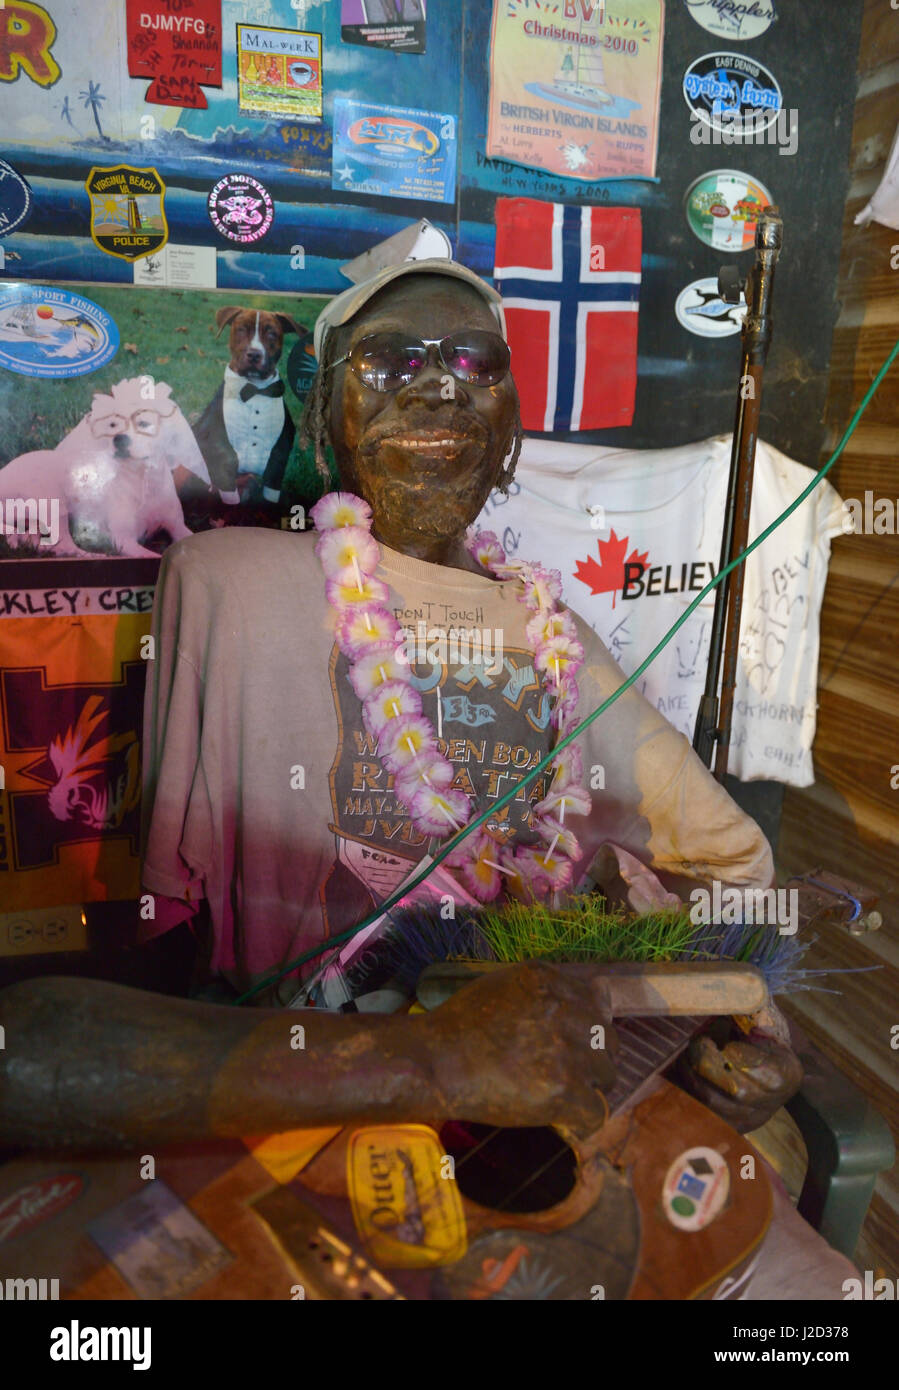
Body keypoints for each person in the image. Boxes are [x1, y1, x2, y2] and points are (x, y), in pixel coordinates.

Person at [0, 260, 856, 1297]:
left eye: (471, 366)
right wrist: (424, 1054)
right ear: (324, 411)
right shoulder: (226, 584)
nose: (437, 387)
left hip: (538, 1118)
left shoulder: (558, 642)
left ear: (509, 437)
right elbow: (165, 943)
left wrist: (717, 1033)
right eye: (389, 360)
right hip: (306, 1078)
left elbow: (728, 865)